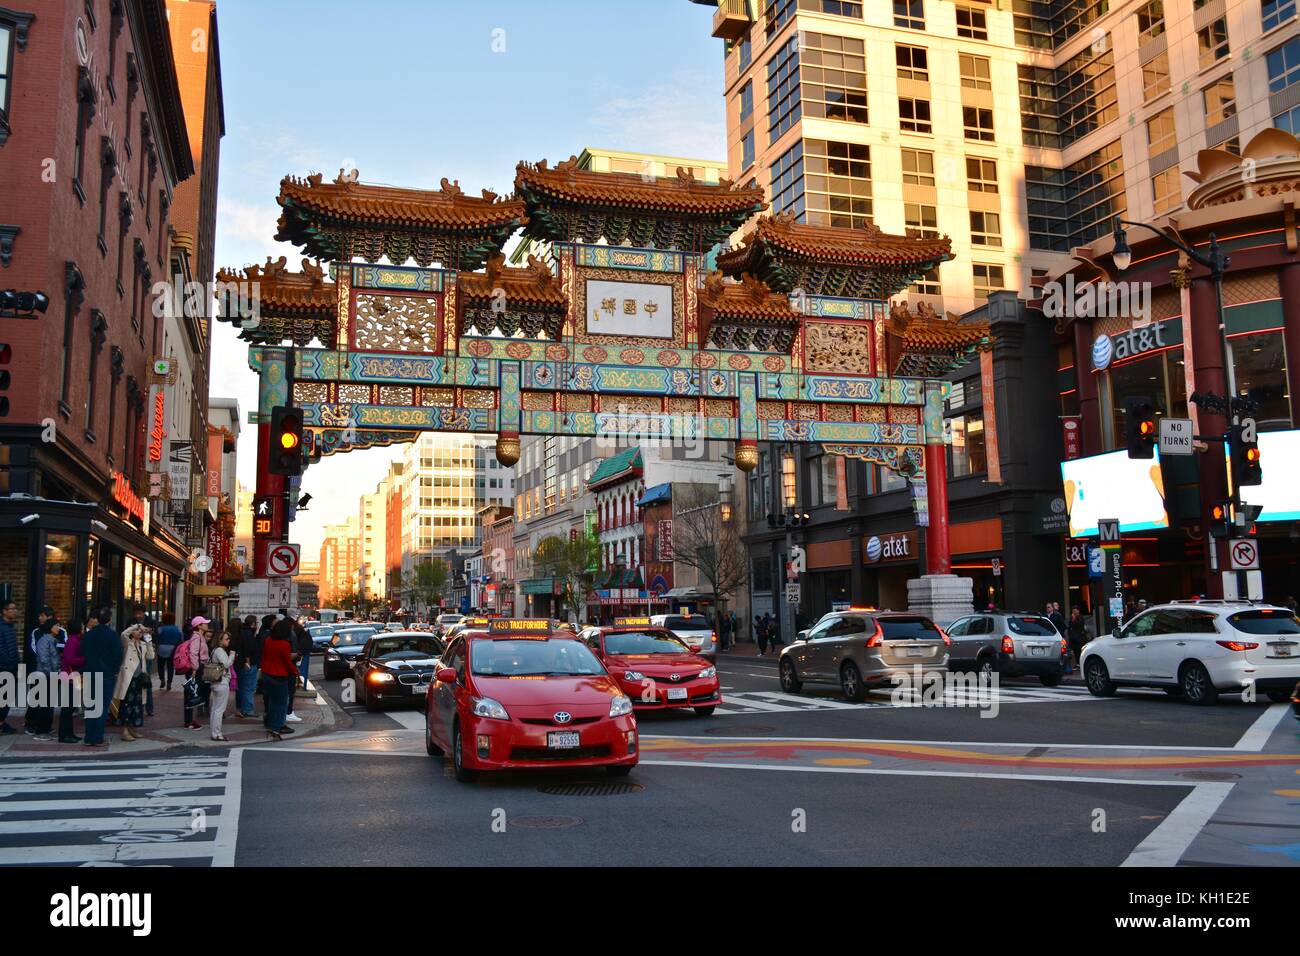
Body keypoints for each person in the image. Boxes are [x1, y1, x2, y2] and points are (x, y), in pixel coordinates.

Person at [81, 608, 122, 748]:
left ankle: (88, 736)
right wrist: (114, 669)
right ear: (109, 620)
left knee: (90, 706)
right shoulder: (112, 635)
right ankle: (97, 737)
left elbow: (82, 652)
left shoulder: (88, 635)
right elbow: (117, 655)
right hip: (106, 674)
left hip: (89, 672)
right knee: (102, 707)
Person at [114, 624, 154, 742]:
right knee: (127, 704)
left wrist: (148, 640)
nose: (139, 632)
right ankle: (125, 731)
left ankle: (132, 728)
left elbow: (151, 656)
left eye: (140, 631)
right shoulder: (127, 643)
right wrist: (137, 625)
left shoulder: (142, 644)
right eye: (137, 631)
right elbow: (123, 634)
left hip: (140, 679)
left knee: (137, 704)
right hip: (129, 678)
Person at [261, 619, 298, 741]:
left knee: (272, 702)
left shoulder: (268, 640)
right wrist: (295, 671)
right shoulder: (284, 644)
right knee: (281, 703)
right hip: (279, 675)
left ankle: (270, 725)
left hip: (267, 673)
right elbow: (287, 662)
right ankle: (276, 728)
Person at [26, 618, 61, 740]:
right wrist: (52, 674)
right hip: (45, 676)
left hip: (49, 675)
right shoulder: (44, 641)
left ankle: (46, 728)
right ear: (50, 627)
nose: (59, 628)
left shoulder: (52, 640)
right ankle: (41, 731)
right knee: (45, 705)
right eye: (57, 625)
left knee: (49, 705)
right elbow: (44, 660)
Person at [179, 617, 212, 730]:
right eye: (204, 623)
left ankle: (190, 720)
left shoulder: (199, 637)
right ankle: (188, 721)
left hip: (198, 667)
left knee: (193, 692)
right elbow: (193, 653)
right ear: (199, 626)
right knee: (191, 693)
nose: (207, 625)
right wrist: (195, 669)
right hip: (196, 668)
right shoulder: (196, 637)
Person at [125, 604, 157, 717]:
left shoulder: (151, 622)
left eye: (140, 613)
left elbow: (156, 635)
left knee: (145, 680)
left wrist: (149, 636)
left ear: (144, 612)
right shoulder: (131, 621)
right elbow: (125, 634)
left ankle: (148, 707)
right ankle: (137, 707)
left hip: (145, 651)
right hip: (132, 653)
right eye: (136, 613)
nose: (138, 615)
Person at [56, 618, 84, 743]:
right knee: (67, 708)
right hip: (68, 677)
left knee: (70, 707)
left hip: (70, 676)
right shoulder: (73, 641)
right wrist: (84, 659)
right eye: (82, 627)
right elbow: (69, 660)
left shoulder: (74, 640)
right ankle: (64, 734)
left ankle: (69, 733)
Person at [207, 629, 234, 742]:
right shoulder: (220, 651)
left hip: (216, 682)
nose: (228, 641)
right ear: (220, 640)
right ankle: (217, 733)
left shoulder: (214, 651)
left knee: (215, 708)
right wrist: (232, 655)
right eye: (226, 639)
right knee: (219, 709)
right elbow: (226, 664)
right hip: (221, 682)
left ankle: (214, 732)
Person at [0, 600, 18, 734]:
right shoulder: (1, 626)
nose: (14, 611)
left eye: (15, 608)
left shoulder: (10, 626)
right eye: (11, 609)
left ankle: (1, 722)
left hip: (11, 666)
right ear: (4, 611)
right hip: (4, 667)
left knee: (8, 697)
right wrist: (9, 661)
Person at [154, 612, 182, 691]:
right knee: (170, 666)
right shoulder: (177, 629)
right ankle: (169, 682)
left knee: (160, 665)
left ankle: (162, 679)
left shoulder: (160, 628)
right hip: (173, 648)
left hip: (161, 648)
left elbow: (156, 638)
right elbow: (181, 638)